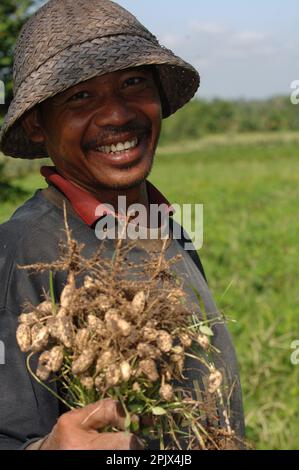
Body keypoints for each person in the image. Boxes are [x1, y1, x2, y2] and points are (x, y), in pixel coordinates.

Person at [0, 0, 245, 450]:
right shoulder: (24, 251)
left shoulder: (162, 224)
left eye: (132, 83)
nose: (116, 115)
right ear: (37, 125)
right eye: (80, 95)